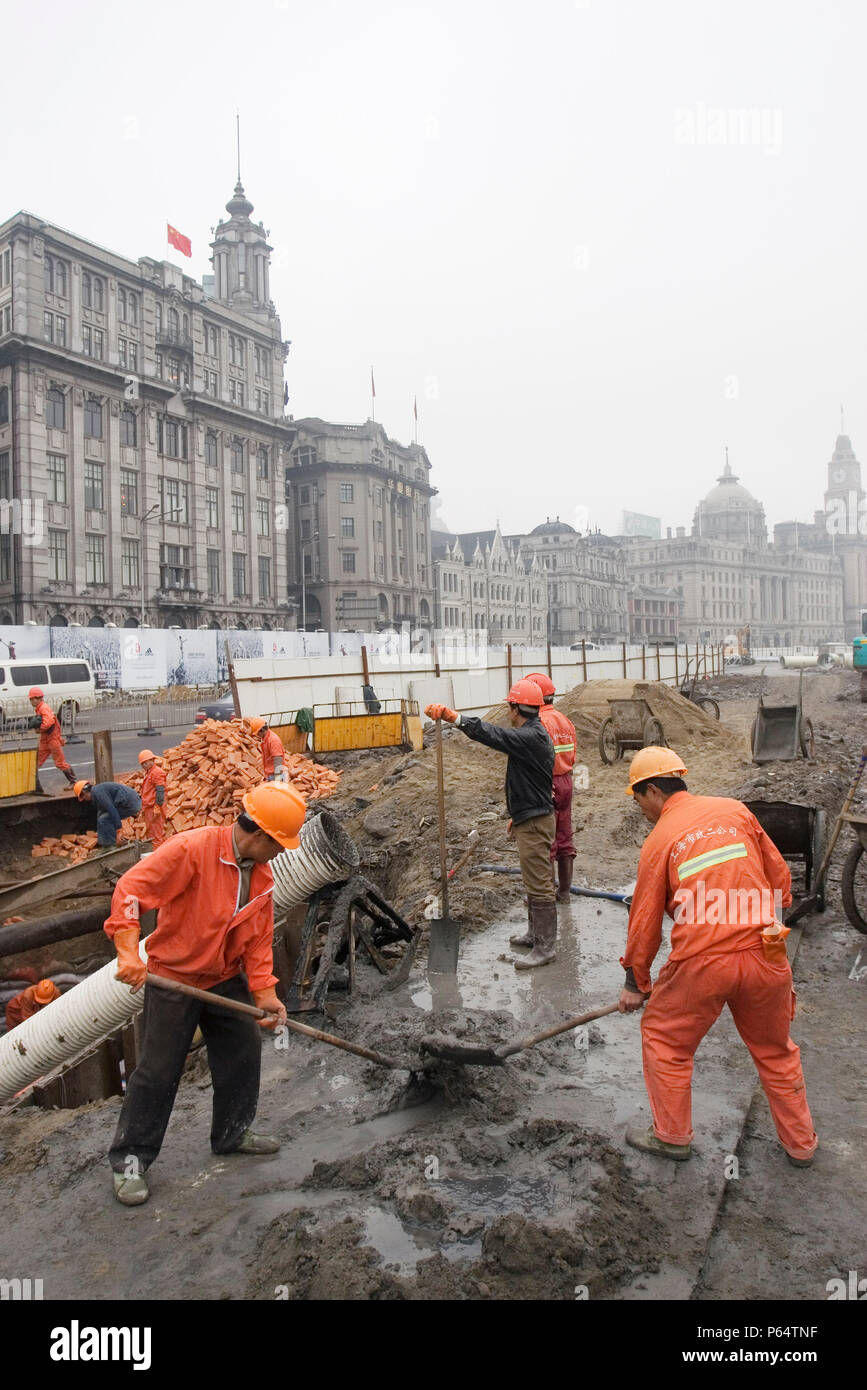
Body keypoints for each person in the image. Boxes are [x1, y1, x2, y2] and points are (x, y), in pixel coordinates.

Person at [104, 781, 304, 1206]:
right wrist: (127, 950)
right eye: (280, 844)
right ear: (260, 835)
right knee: (158, 1072)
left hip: (224, 977)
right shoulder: (192, 850)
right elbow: (130, 891)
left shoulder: (264, 875)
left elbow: (258, 939)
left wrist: (265, 992)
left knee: (243, 1052)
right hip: (175, 977)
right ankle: (130, 1162)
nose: (283, 852)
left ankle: (232, 1133)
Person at [618, 745, 818, 1168]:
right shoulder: (734, 810)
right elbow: (779, 876)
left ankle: (672, 1138)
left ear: (652, 790)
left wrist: (637, 982)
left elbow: (645, 922)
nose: (640, 810)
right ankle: (801, 1145)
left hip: (703, 962)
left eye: (638, 799)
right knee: (775, 1051)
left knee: (666, 1040)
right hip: (765, 953)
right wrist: (770, 921)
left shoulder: (660, 841)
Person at [425, 680, 556, 969]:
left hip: (536, 822)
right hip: (530, 817)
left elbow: (491, 734)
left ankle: (545, 948)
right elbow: (530, 783)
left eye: (509, 706)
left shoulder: (530, 737)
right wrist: (517, 815)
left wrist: (453, 718)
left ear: (515, 707)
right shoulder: (532, 734)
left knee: (540, 884)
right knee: (533, 879)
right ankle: (536, 935)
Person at [526, 672, 578, 901]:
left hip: (546, 782)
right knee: (565, 838)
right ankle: (564, 892)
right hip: (566, 780)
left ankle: (543, 895)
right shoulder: (565, 721)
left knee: (545, 841)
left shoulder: (538, 724)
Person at [27, 687, 76, 793]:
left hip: (52, 739)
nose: (31, 701)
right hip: (46, 740)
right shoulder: (40, 708)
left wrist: (39, 729)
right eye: (30, 699)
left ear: (38, 698)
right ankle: (36, 787)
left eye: (32, 699)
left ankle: (74, 782)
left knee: (60, 763)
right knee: (35, 763)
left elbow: (49, 722)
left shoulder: (43, 708)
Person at [74, 780, 143, 848]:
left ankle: (112, 845)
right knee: (100, 814)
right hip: (127, 802)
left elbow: (112, 810)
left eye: (83, 797)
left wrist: (119, 830)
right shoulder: (96, 791)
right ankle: (104, 844)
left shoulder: (99, 793)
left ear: (84, 792)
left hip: (131, 804)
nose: (84, 799)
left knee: (104, 819)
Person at [138, 750, 168, 848]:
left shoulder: (157, 772)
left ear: (151, 760)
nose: (143, 766)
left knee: (156, 836)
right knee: (151, 834)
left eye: (145, 763)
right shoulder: (149, 772)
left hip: (154, 808)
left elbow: (160, 791)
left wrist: (157, 807)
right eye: (142, 764)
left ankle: (158, 857)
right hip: (149, 808)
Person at [249, 717, 286, 783]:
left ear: (262, 729)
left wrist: (278, 779)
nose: (258, 735)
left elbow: (278, 759)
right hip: (271, 775)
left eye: (258, 733)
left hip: (276, 776)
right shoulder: (266, 738)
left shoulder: (273, 740)